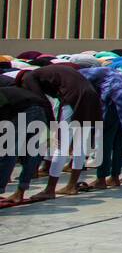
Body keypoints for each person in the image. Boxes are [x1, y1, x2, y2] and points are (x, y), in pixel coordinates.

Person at [24, 63, 102, 200]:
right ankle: (71, 186)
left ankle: (50, 189)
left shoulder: (29, 78)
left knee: (61, 145)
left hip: (73, 98)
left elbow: (42, 102)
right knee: (80, 145)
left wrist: (50, 125)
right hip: (91, 97)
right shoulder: (50, 71)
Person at [0, 84, 53, 207]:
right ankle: (20, 192)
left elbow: (5, 116)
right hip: (39, 108)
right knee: (33, 152)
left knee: (8, 151)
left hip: (25, 110)